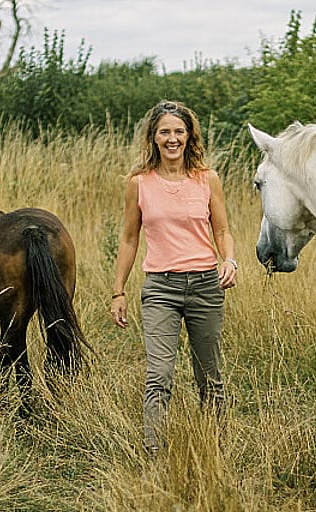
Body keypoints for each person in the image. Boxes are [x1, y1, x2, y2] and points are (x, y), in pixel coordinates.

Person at [111, 100, 238, 453]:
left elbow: (223, 230)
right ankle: (154, 452)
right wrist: (118, 291)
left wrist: (230, 261)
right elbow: (129, 238)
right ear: (153, 137)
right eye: (164, 132)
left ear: (189, 136)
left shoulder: (207, 179)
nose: (172, 139)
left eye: (178, 131)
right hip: (160, 289)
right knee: (159, 375)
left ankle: (215, 448)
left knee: (209, 376)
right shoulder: (138, 183)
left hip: (205, 286)